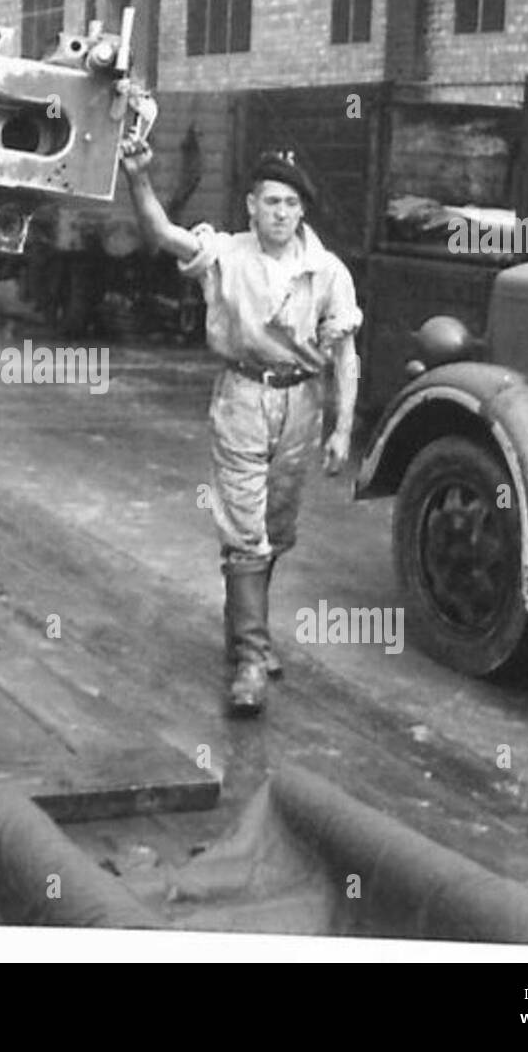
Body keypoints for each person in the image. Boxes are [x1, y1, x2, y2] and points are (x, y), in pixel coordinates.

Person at [121, 137, 361, 716]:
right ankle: (252, 659)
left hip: (301, 402)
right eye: (271, 201)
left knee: (275, 527)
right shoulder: (227, 253)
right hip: (243, 397)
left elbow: (346, 353)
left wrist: (343, 428)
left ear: (302, 211)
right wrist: (138, 178)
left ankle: (244, 635)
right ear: (251, 205)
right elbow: (162, 233)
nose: (282, 213)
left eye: (292, 204)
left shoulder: (327, 270)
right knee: (245, 529)